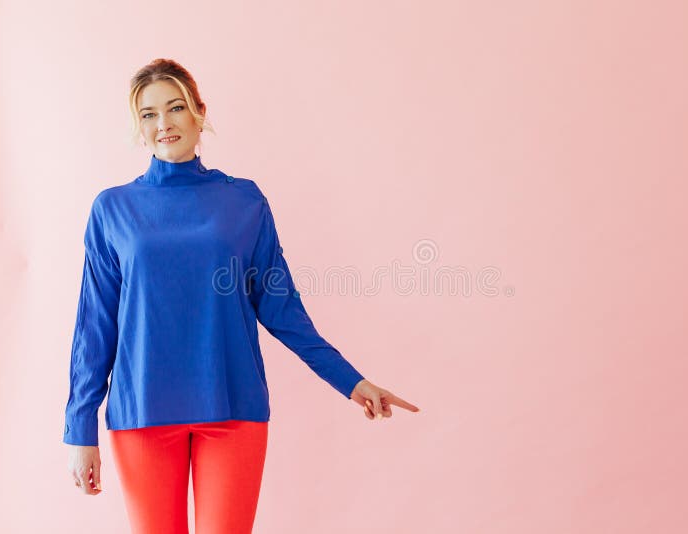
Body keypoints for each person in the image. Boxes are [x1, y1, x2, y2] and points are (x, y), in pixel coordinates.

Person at [63, 58, 420, 534]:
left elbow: (282, 308)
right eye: (149, 114)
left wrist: (350, 381)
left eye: (176, 108)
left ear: (199, 113)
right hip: (142, 411)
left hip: (232, 406)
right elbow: (95, 327)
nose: (164, 124)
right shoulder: (113, 210)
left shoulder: (244, 201)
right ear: (138, 126)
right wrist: (79, 428)